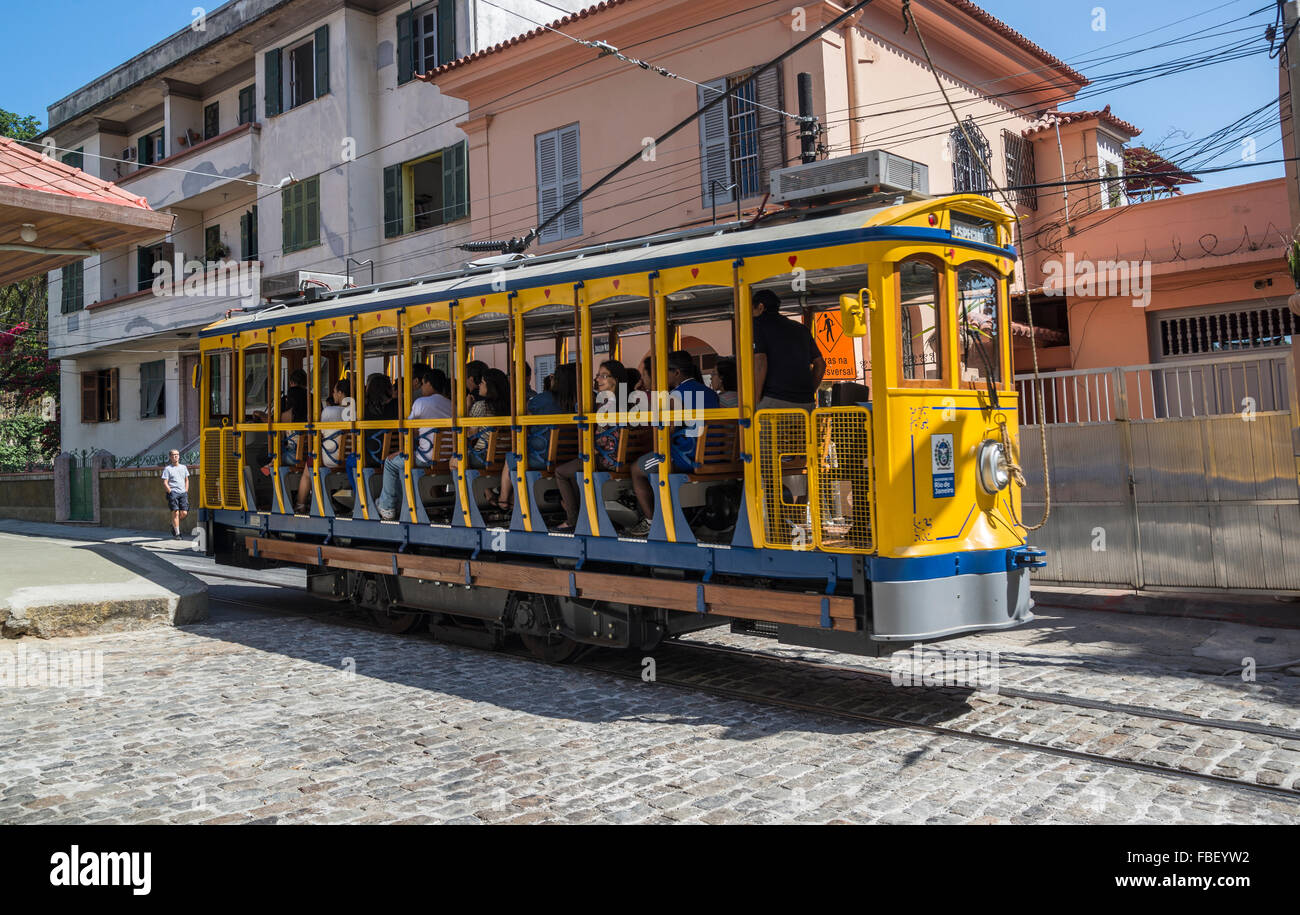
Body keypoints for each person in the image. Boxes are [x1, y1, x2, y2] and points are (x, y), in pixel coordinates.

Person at [626, 350, 719, 537]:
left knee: (637, 469)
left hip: (686, 458)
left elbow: (665, 432)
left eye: (665, 372)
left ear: (676, 373)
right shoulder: (710, 393)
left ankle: (650, 521)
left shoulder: (675, 396)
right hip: (714, 455)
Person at [494, 363, 576, 515]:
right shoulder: (581, 400)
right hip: (571, 457)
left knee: (512, 457)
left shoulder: (544, 399)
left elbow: (524, 412)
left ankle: (503, 500)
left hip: (544, 456)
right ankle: (512, 500)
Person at [552, 361, 625, 531]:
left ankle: (571, 520)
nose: (598, 379)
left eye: (603, 376)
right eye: (598, 375)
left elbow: (606, 436)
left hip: (607, 459)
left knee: (561, 473)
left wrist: (591, 446)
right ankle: (581, 513)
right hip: (620, 456)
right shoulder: (624, 400)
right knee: (575, 469)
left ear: (616, 380)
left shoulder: (606, 404)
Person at [375, 365, 451, 520]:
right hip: (447, 458)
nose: (422, 387)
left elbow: (408, 431)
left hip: (425, 457)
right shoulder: (452, 404)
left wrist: (401, 451)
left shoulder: (421, 403)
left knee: (391, 462)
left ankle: (387, 506)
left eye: (423, 384)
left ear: (429, 384)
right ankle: (402, 504)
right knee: (401, 466)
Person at [752, 289, 826, 410]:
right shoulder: (801, 329)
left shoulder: (757, 324)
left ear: (760, 307)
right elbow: (820, 365)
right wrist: (807, 393)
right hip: (805, 405)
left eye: (751, 309)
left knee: (758, 427)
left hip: (775, 401)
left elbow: (760, 362)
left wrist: (756, 399)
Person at [294, 378, 351, 513]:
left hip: (331, 456)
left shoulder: (330, 411)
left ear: (341, 393)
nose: (333, 394)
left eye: (334, 392)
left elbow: (320, 433)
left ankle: (300, 505)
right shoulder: (356, 410)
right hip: (351, 456)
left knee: (308, 471)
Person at [161, 449, 190, 539]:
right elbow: (165, 482)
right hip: (173, 493)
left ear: (179, 456)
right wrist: (170, 492)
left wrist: (186, 490)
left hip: (183, 493)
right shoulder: (168, 469)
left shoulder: (184, 467)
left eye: (177, 454)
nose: (175, 456)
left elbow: (186, 480)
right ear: (170, 457)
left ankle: (173, 524)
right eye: (173, 455)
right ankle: (177, 534)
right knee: (175, 513)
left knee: (184, 513)